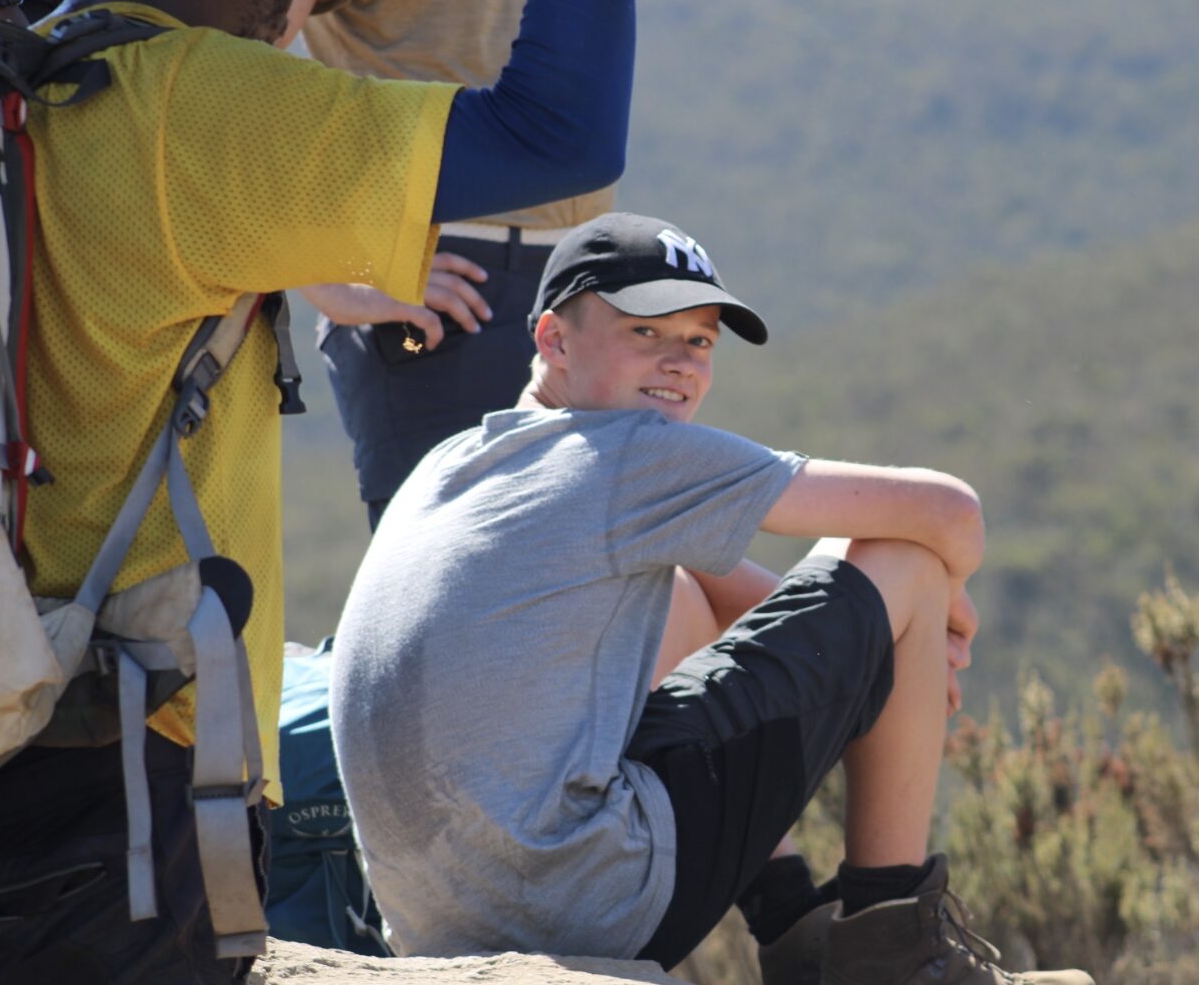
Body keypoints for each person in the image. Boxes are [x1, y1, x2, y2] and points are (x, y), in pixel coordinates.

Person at [0, 0, 634, 982]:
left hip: (5, 698)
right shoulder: (198, 100)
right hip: (138, 761)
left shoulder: (26, 79)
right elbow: (560, 133)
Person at [330, 213, 1094, 984]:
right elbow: (951, 513)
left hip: (441, 919)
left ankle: (793, 922)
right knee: (900, 554)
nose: (680, 363)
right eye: (646, 332)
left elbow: (757, 607)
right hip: (578, 906)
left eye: (698, 341)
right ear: (555, 340)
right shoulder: (623, 455)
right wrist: (934, 607)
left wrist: (888, 646)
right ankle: (891, 943)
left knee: (688, 589)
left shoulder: (459, 461)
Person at [277, 0, 620, 532]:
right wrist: (333, 268)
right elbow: (232, 64)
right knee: (458, 573)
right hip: (435, 290)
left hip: (580, 276)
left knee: (588, 579)